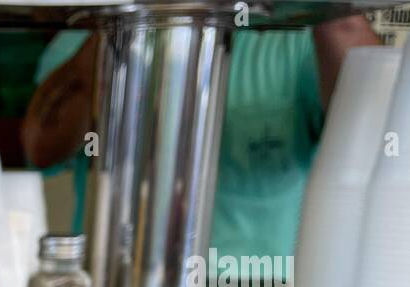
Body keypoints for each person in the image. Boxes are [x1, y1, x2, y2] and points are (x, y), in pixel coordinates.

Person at [22, 16, 380, 265]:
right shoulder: (91, 33)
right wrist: (118, 18)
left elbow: (377, 140)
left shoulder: (301, 39)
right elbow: (42, 148)